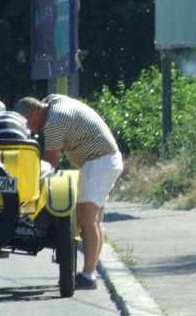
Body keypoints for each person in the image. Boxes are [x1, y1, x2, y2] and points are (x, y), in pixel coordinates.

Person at [14, 94, 123, 291]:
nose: (28, 128)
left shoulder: (54, 123)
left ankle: (88, 276)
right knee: (95, 221)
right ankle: (90, 273)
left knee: (86, 221)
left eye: (28, 121)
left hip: (98, 163)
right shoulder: (52, 102)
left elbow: (50, 164)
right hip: (104, 160)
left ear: (37, 112)